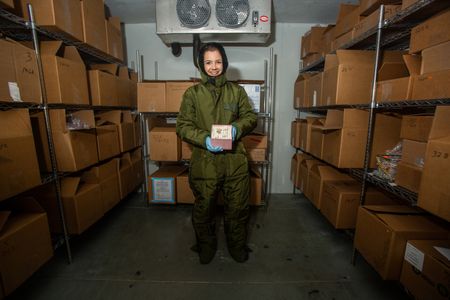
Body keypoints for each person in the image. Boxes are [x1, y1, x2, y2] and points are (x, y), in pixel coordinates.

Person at [176, 43, 257, 264]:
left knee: (238, 208)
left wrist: (236, 128)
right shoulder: (192, 94)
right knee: (204, 210)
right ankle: (206, 246)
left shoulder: (236, 91)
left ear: (225, 63)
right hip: (205, 161)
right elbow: (182, 126)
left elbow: (250, 117)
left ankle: (237, 247)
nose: (214, 67)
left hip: (235, 162)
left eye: (218, 61)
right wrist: (204, 139)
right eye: (208, 62)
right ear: (201, 65)